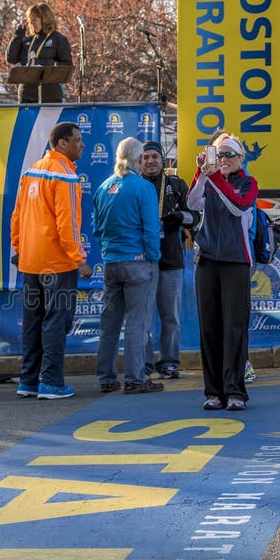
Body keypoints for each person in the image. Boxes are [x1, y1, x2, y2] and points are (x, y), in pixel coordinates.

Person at [10, 121, 92, 399]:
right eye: (77, 140)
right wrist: (79, 259)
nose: (82, 145)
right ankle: (52, 382)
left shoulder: (31, 171)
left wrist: (20, 249)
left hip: (31, 262)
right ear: (61, 144)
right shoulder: (65, 175)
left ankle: (28, 381)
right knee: (57, 321)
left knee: (33, 321)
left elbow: (17, 218)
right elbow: (67, 225)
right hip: (57, 264)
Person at [187, 130, 259, 411]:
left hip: (235, 262)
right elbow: (192, 204)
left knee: (234, 327)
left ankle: (236, 391)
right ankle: (213, 391)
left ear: (241, 158)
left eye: (229, 154)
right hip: (207, 260)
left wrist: (214, 177)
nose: (224, 159)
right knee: (210, 327)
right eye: (219, 153)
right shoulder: (210, 181)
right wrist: (201, 172)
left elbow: (238, 207)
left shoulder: (248, 183)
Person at [93, 136, 163, 394]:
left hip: (112, 263)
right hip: (137, 263)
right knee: (137, 323)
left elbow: (97, 229)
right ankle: (135, 378)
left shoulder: (103, 187)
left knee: (109, 323)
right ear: (138, 160)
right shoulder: (143, 188)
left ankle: (107, 378)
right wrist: (152, 258)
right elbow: (151, 230)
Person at [141, 140, 201, 379]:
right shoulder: (133, 184)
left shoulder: (176, 184)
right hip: (142, 261)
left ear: (162, 160)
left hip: (171, 259)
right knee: (142, 318)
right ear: (139, 161)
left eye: (154, 156)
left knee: (171, 317)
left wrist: (180, 218)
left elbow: (196, 216)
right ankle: (144, 363)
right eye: (145, 157)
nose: (150, 161)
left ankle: (169, 363)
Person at [5, 3, 73, 103]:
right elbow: (11, 58)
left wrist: (48, 72)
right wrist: (18, 34)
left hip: (50, 95)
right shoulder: (27, 40)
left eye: (34, 20)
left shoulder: (58, 39)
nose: (31, 23)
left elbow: (67, 65)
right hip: (26, 95)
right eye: (30, 20)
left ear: (45, 19)